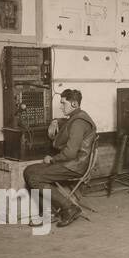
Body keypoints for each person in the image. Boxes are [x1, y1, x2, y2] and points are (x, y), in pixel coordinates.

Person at [23, 89, 96, 227]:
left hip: (75, 166)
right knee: (29, 170)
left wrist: (52, 160)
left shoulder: (79, 122)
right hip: (72, 163)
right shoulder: (78, 117)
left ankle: (69, 208)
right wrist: (56, 121)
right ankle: (48, 212)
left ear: (74, 104)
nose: (61, 107)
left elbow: (70, 153)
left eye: (63, 104)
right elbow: (69, 124)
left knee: (34, 177)